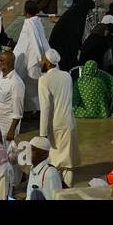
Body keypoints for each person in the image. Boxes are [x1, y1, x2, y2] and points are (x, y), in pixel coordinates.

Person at [38, 49, 79, 185]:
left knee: (54, 160)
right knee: (67, 160)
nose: (40, 61)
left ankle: (55, 190)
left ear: (49, 63)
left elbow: (45, 108)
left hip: (55, 125)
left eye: (43, 59)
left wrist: (43, 133)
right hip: (69, 122)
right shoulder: (66, 75)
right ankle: (68, 189)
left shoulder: (44, 80)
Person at [0, 49, 25, 141]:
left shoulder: (16, 83)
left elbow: (18, 111)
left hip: (6, 127)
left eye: (1, 61)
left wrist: (12, 130)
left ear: (10, 63)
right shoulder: (0, 77)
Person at [24, 135, 63, 200]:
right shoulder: (32, 169)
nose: (28, 152)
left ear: (44, 154)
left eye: (32, 150)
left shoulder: (50, 173)